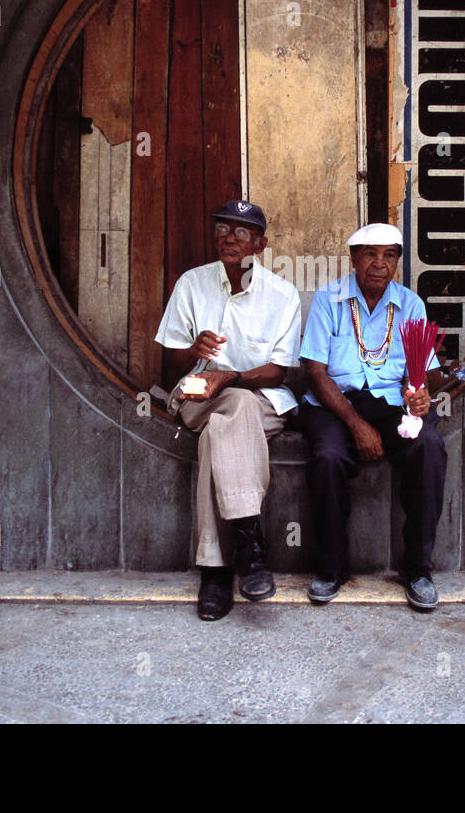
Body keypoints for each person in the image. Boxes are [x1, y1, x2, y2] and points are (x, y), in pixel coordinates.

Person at [154, 200, 302, 621]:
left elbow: (278, 371)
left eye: (241, 233)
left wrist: (231, 377)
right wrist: (192, 353)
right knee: (229, 411)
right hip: (199, 396)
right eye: (222, 230)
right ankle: (250, 547)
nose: (229, 240)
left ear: (261, 243)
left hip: (260, 399)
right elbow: (170, 365)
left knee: (226, 424)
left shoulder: (282, 294)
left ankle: (216, 571)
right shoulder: (192, 284)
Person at [297, 222, 447, 611]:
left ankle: (417, 569)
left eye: (390, 255)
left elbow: (426, 372)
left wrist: (419, 392)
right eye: (370, 254)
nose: (379, 264)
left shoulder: (411, 304)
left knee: (428, 446)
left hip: (389, 403)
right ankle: (331, 568)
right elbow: (314, 371)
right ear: (353, 258)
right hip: (335, 405)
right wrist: (357, 424)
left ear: (397, 261)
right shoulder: (328, 300)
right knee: (328, 457)